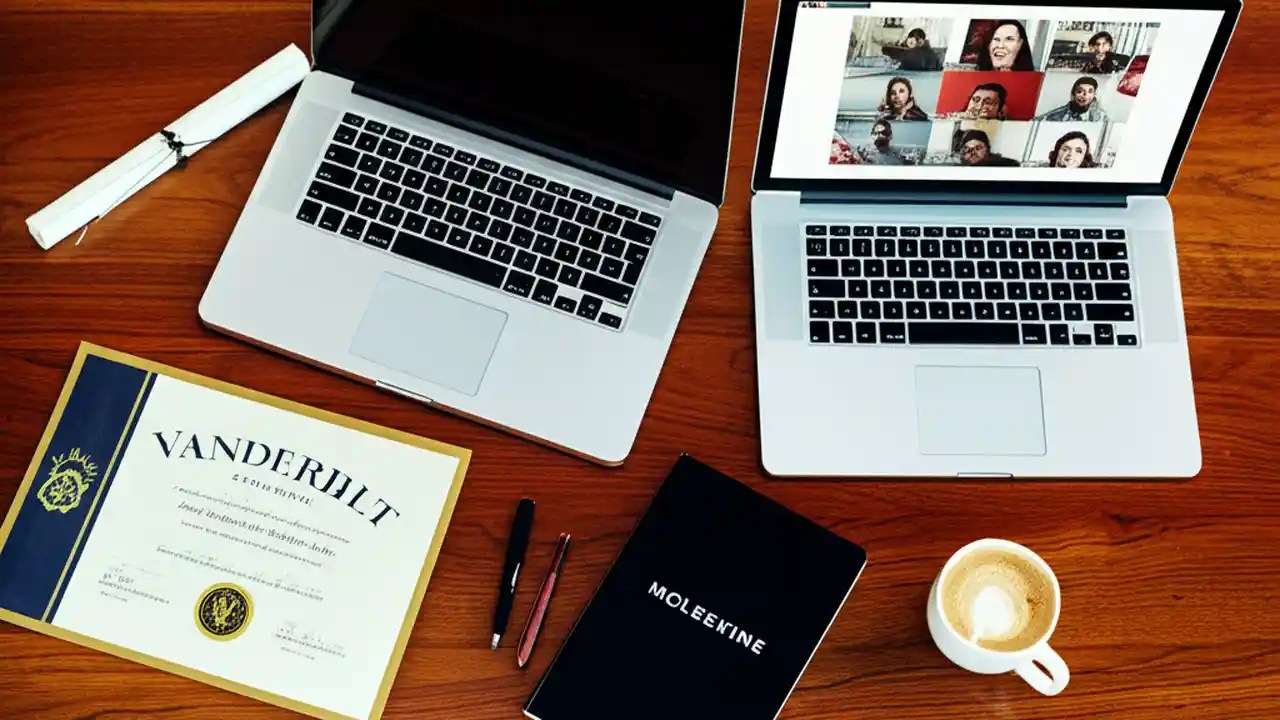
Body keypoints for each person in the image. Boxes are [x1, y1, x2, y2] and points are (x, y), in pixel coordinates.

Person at [1037, 76, 1107, 121]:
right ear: (1073, 93)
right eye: (1080, 91)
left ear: (1094, 95)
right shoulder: (1056, 116)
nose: (1085, 95)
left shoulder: (1101, 117)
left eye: (1090, 92)